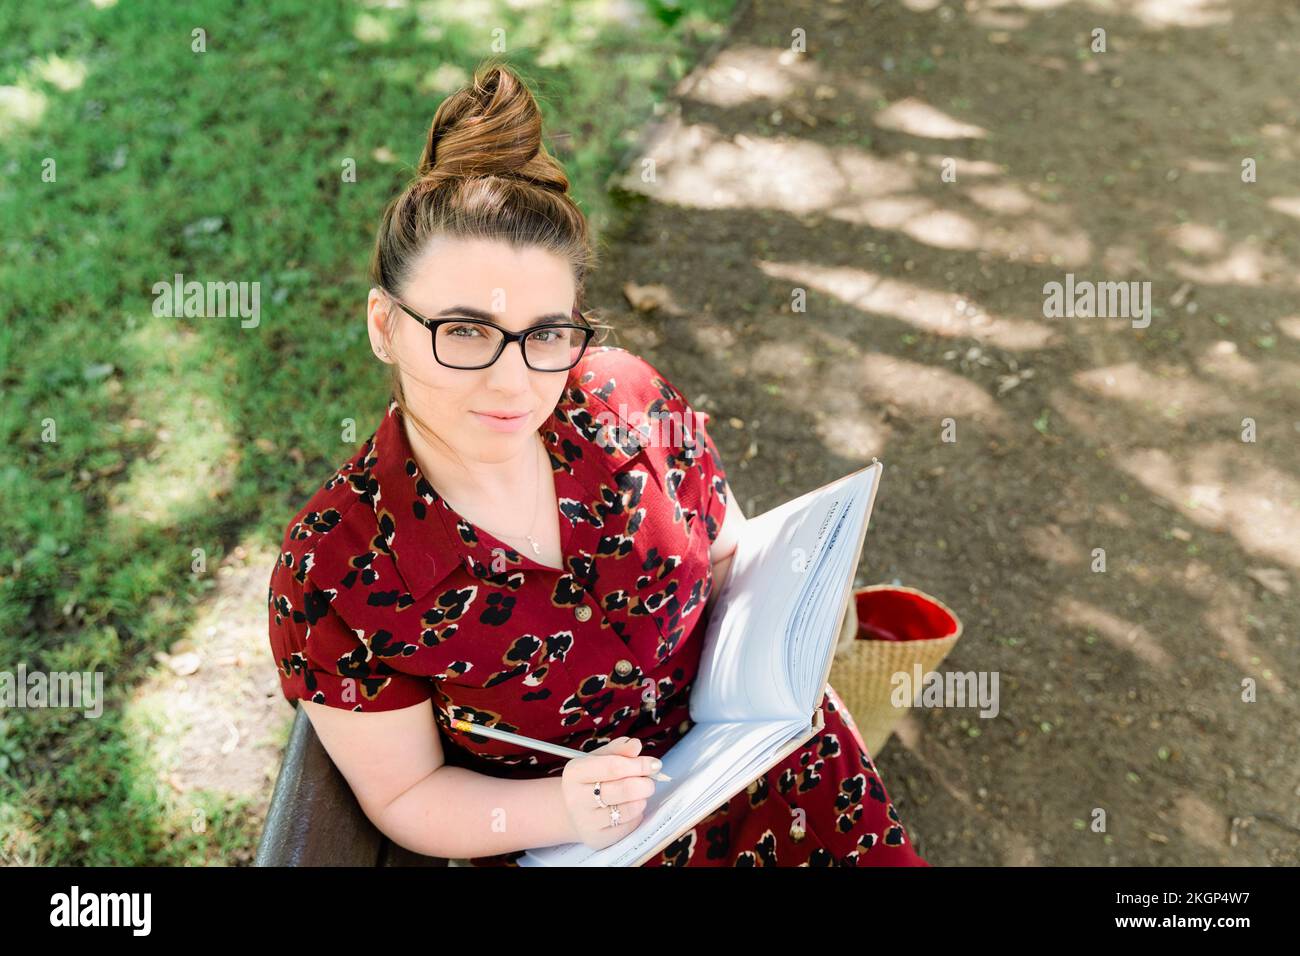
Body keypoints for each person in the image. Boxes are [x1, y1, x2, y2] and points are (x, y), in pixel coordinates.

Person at [266, 59, 928, 867]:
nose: (513, 381)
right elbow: (406, 795)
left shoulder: (626, 399)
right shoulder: (336, 566)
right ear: (384, 325)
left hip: (782, 770)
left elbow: (728, 553)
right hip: (594, 848)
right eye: (465, 331)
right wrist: (562, 807)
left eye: (546, 333)